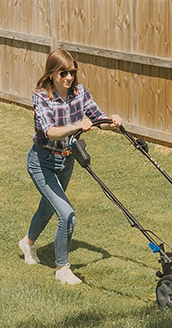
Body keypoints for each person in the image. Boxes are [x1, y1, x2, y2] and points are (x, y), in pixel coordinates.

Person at [19, 49, 122, 284]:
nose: (68, 77)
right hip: (42, 162)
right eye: (63, 73)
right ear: (52, 73)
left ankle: (27, 243)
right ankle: (62, 268)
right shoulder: (41, 98)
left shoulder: (79, 93)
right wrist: (77, 125)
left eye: (72, 73)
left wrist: (112, 122)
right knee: (67, 215)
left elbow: (98, 118)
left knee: (47, 208)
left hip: (66, 161)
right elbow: (50, 132)